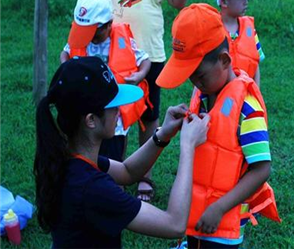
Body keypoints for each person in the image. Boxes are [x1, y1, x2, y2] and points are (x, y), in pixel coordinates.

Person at [34, 56, 210, 249]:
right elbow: (174, 225)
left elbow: (127, 172)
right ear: (91, 120)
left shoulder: (70, 158)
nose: (119, 110)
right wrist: (188, 146)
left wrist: (163, 135)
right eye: (113, 106)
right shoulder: (93, 189)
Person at [156, 4, 281, 249]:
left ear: (224, 60)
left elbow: (262, 169)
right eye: (190, 76)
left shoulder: (247, 109)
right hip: (195, 214)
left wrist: (219, 207)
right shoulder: (205, 93)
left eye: (199, 76)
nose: (195, 83)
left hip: (222, 226)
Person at [85, 0, 187, 201]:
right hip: (111, 57)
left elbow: (178, 1)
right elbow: (90, 1)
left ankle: (144, 176)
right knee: (112, 117)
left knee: (148, 116)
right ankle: (113, 175)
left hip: (149, 55)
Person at [60, 0, 151, 163]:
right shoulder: (81, 37)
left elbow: (144, 60)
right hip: (86, 109)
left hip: (113, 114)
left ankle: (114, 184)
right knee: (84, 151)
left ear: (109, 24)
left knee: (113, 156)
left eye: (94, 33)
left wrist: (140, 75)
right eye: (85, 33)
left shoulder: (122, 38)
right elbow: (65, 53)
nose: (89, 39)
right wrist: (66, 68)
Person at [214, 0, 264, 87]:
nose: (246, 1)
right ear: (224, 2)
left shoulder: (250, 29)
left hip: (247, 96)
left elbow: (255, 63)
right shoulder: (213, 31)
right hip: (221, 99)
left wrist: (256, 95)